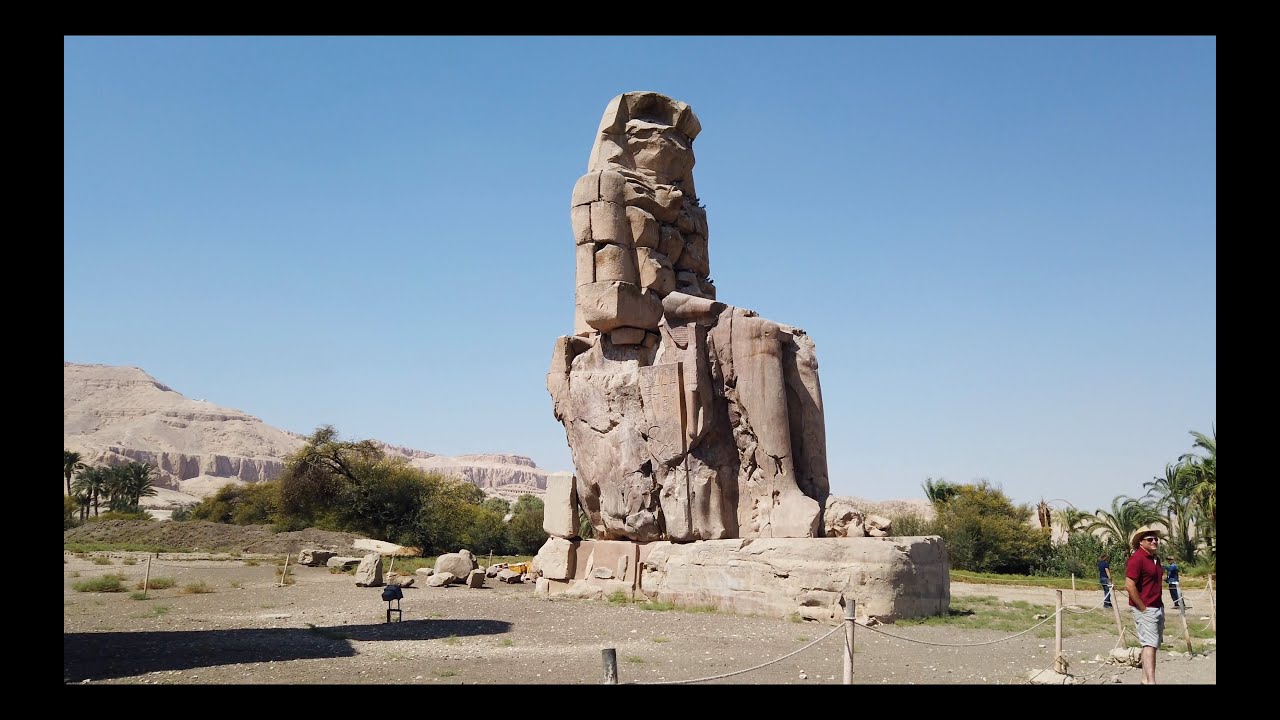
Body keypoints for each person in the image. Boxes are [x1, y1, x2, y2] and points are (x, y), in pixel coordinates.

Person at [1126, 525, 1166, 684]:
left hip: (1157, 606)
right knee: (1149, 644)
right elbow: (1129, 585)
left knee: (1152, 644)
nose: (1154, 541)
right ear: (1141, 542)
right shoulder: (1137, 559)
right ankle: (1151, 681)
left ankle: (1144, 679)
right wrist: (1142, 607)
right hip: (1146, 608)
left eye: (1156, 539)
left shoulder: (1155, 559)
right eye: (1150, 539)